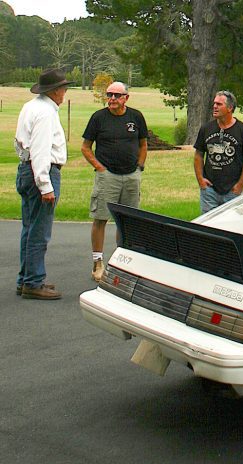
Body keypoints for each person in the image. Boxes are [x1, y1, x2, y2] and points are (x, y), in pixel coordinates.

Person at [14, 68, 75, 300]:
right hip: (42, 171)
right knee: (39, 231)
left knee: (29, 229)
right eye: (64, 88)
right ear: (56, 90)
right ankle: (33, 282)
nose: (65, 92)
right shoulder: (46, 113)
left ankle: (27, 278)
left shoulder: (31, 106)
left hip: (26, 169)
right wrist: (45, 185)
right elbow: (40, 150)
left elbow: (21, 144)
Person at [81, 81, 148, 281]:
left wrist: (140, 167)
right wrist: (100, 168)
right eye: (109, 95)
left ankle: (123, 262)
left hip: (131, 176)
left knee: (127, 220)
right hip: (107, 176)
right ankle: (97, 263)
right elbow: (86, 147)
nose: (111, 99)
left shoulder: (136, 117)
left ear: (126, 98)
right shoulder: (98, 118)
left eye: (116, 95)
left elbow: (143, 144)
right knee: (101, 218)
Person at [194, 90, 243, 214]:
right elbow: (198, 155)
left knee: (232, 226)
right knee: (207, 227)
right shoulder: (206, 129)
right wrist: (201, 180)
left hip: (232, 191)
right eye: (214, 103)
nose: (215, 106)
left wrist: (239, 186)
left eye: (219, 104)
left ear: (230, 108)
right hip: (209, 190)